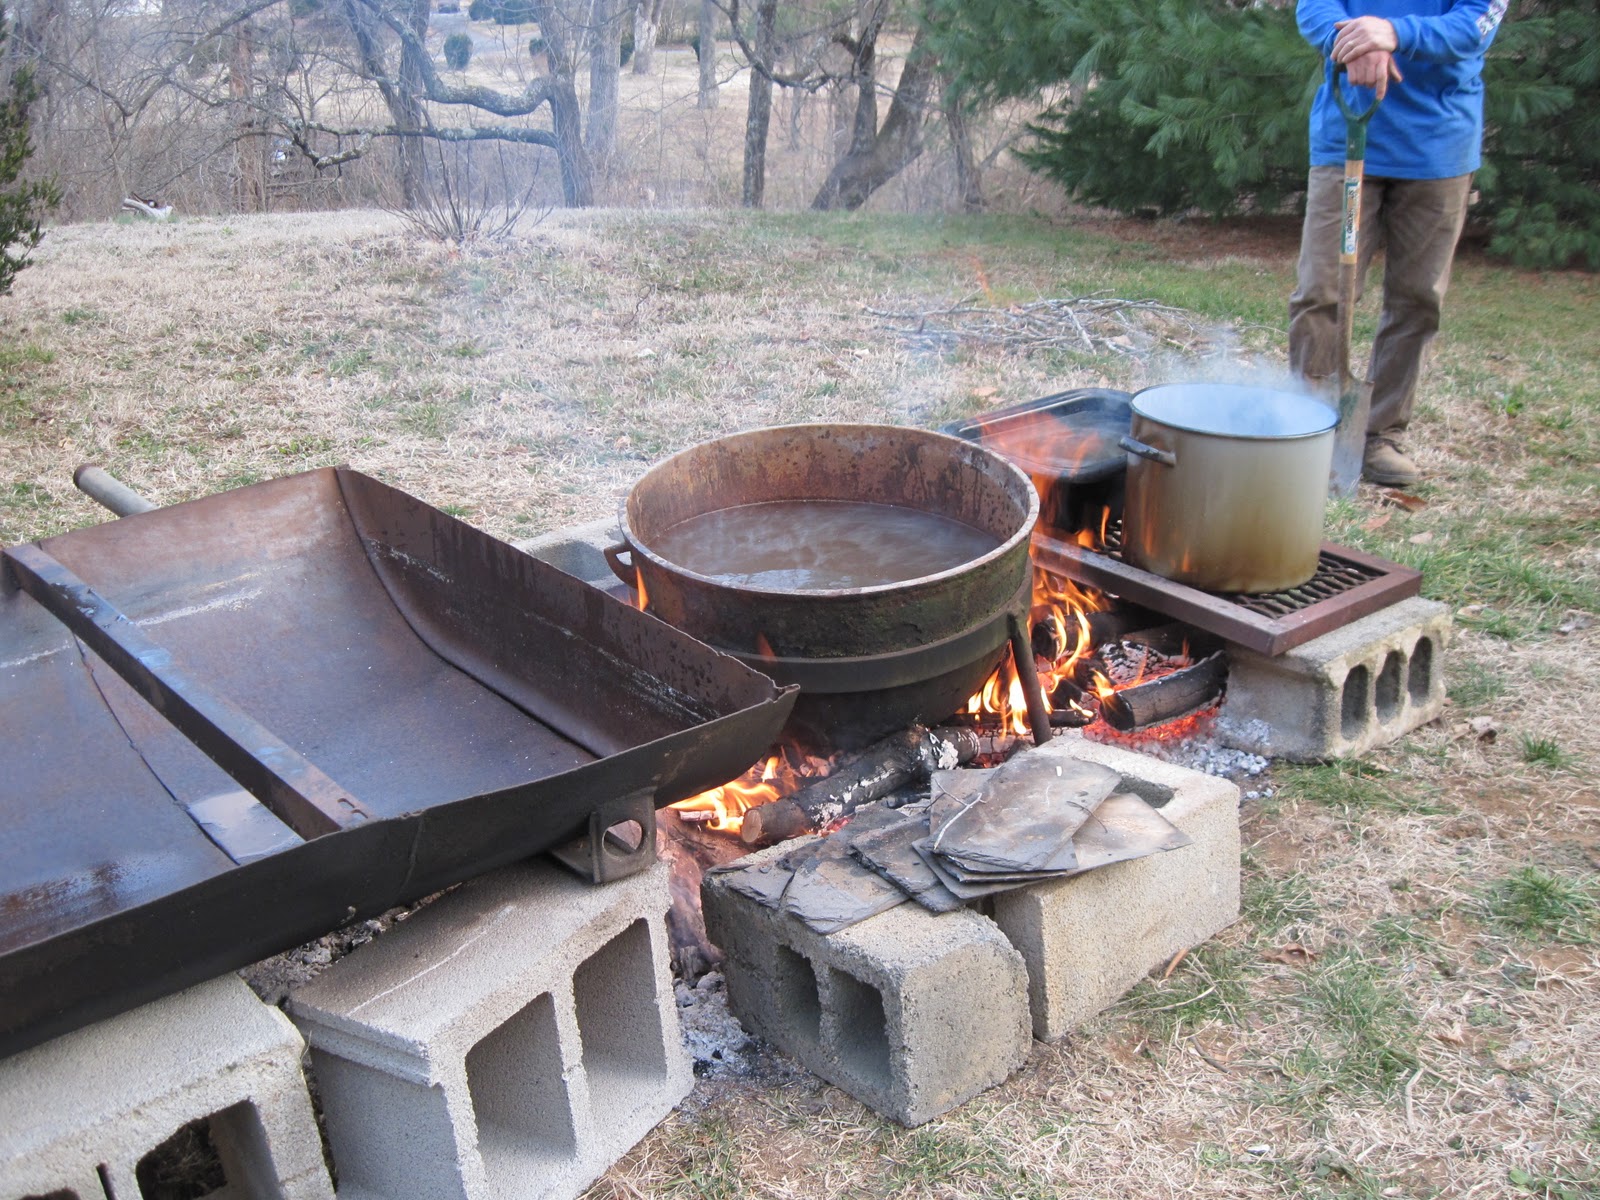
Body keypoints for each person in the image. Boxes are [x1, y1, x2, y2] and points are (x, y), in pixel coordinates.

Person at [1288, 0, 1508, 487]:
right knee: (1321, 292)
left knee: (1416, 299)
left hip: (1438, 146)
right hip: (1347, 137)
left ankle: (1378, 434)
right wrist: (1352, 43)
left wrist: (1393, 32)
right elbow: (1314, 6)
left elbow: (1475, 25)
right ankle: (1306, 433)